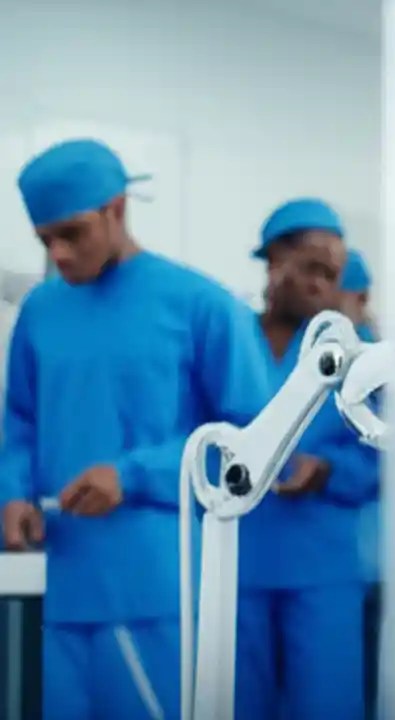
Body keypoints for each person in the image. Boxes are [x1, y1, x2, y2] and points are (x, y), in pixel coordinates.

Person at [0, 138, 269, 718]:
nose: (60, 255)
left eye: (72, 234)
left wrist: (134, 475)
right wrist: (14, 492)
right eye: (46, 241)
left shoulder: (201, 306)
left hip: (159, 585)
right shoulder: (41, 314)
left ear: (116, 209)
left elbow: (248, 441)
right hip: (67, 582)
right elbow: (20, 419)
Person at [236, 198, 379, 720]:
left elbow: (386, 454)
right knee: (234, 702)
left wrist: (328, 470)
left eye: (332, 275)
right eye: (311, 270)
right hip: (239, 563)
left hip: (322, 568)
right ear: (274, 260)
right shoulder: (231, 339)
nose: (323, 287)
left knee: (326, 704)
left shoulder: (352, 354)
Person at [338, 247, 382, 719]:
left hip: (372, 559)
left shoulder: (374, 361)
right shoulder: (319, 359)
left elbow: (384, 457)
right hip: (347, 558)